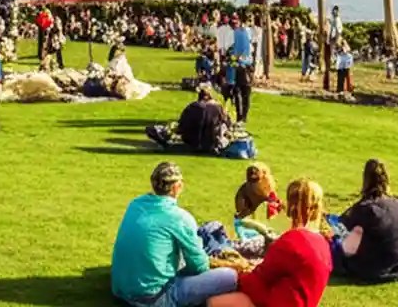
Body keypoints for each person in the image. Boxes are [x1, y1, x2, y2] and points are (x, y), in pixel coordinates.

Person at [110, 162, 238, 307]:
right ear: (177, 186)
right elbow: (199, 266)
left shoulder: (136, 204)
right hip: (153, 298)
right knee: (230, 276)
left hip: (121, 290)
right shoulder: (178, 217)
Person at [210, 178, 332, 307]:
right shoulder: (322, 244)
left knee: (214, 300)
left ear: (290, 206)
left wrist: (239, 273)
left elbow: (257, 281)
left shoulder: (291, 241)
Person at [332, 159, 398, 283]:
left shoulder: (365, 208)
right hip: (397, 265)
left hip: (370, 269)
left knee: (335, 244)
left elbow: (346, 239)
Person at [175, 86, 232, 154]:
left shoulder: (191, 107)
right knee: (223, 125)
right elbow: (228, 123)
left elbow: (181, 125)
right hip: (211, 142)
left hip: (191, 142)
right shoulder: (217, 107)